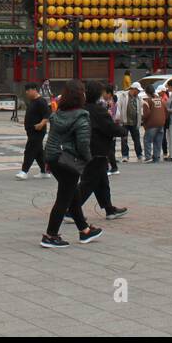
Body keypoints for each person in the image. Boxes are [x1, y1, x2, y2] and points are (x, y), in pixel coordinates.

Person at [40, 80, 103, 249]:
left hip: (54, 158)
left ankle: (85, 230)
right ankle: (50, 235)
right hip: (69, 161)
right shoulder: (81, 116)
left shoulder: (57, 113)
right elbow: (83, 143)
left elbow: (51, 139)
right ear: (80, 96)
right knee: (63, 199)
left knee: (72, 194)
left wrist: (48, 159)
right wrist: (89, 159)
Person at [76, 81, 128, 220]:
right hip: (97, 150)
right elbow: (109, 127)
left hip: (85, 149)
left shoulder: (82, 108)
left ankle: (109, 209)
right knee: (89, 182)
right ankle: (71, 209)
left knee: (102, 181)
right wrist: (123, 131)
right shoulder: (98, 110)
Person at [16, 82, 50, 180]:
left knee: (29, 150)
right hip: (31, 131)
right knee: (38, 152)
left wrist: (41, 124)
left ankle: (24, 171)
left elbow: (46, 115)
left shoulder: (41, 101)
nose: (26, 93)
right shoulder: (33, 101)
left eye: (28, 90)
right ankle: (45, 171)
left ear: (34, 90)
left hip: (38, 132)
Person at [141, 86, 168, 162]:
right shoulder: (160, 100)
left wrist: (142, 120)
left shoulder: (147, 101)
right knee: (158, 141)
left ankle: (148, 157)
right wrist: (163, 119)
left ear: (146, 92)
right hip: (161, 123)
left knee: (147, 140)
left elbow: (146, 114)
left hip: (152, 124)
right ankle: (156, 157)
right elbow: (166, 111)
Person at [120, 84, 143, 161]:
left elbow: (141, 109)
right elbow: (119, 107)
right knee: (124, 140)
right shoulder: (123, 96)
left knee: (137, 139)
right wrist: (120, 119)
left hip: (134, 122)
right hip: (125, 122)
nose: (139, 92)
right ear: (133, 89)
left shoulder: (139, 98)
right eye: (138, 90)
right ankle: (125, 155)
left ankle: (139, 154)